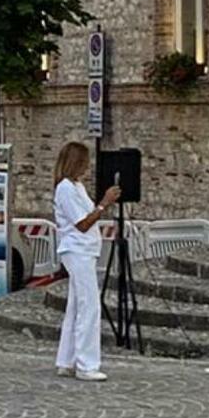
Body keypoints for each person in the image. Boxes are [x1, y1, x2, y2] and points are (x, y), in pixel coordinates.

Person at [52, 142, 120, 382]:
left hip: (86, 250)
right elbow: (82, 223)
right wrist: (104, 203)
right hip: (77, 250)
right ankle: (86, 364)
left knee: (76, 306)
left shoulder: (77, 187)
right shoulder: (65, 189)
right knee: (89, 305)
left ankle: (67, 359)